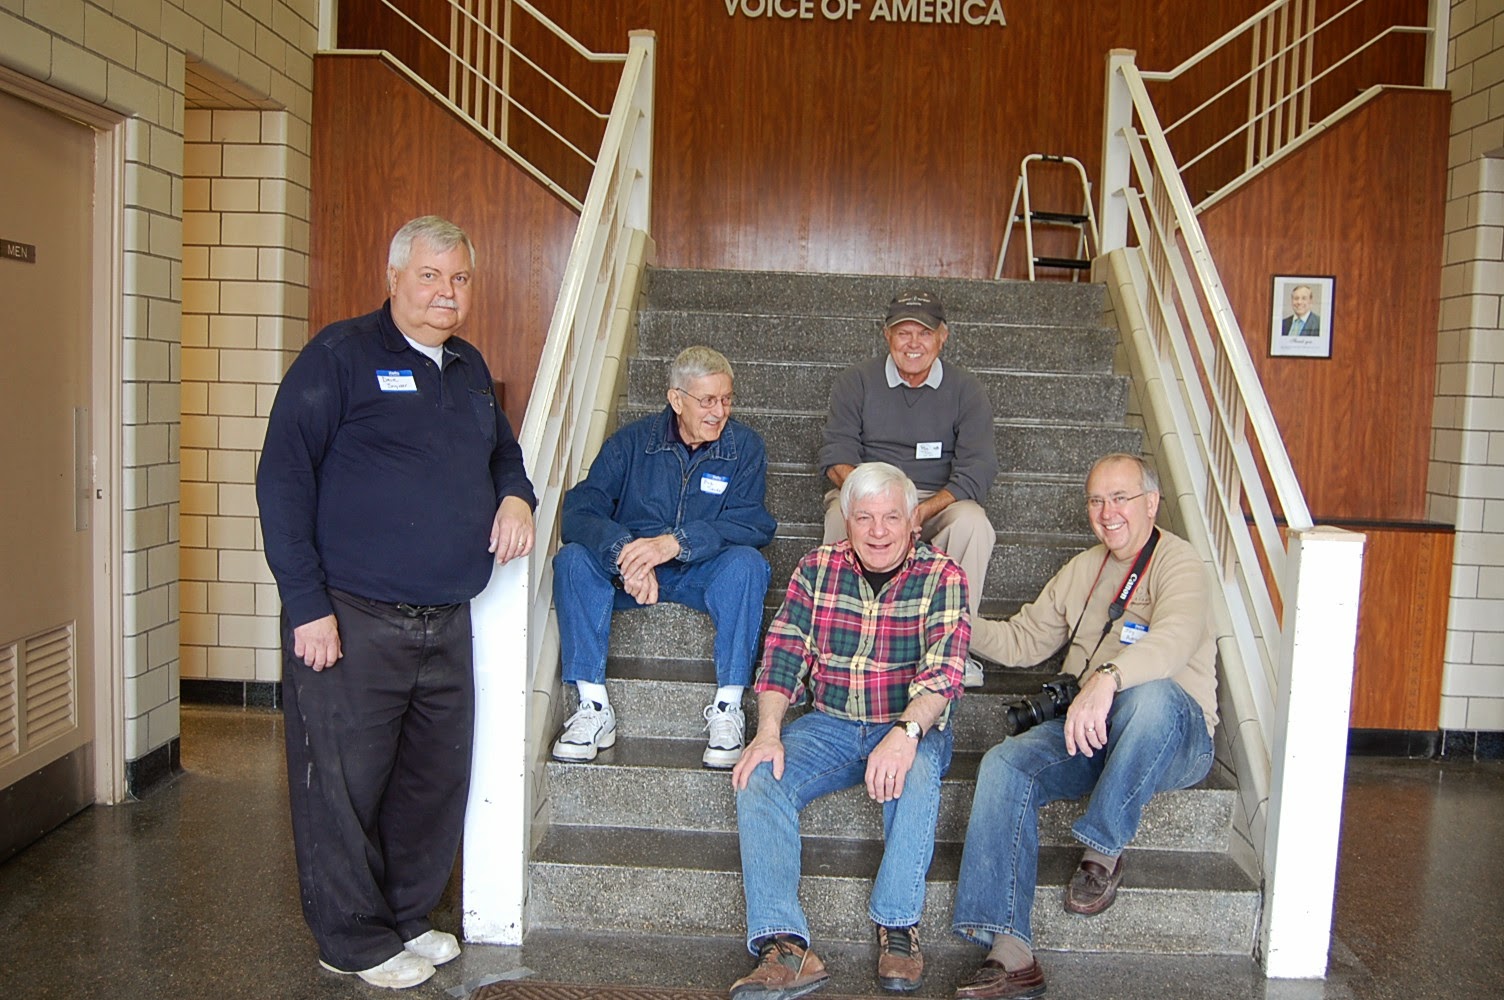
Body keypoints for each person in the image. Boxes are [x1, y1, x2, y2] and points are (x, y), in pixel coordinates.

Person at [256, 216, 537, 989]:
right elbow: (281, 481)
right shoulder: (339, 357)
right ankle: (350, 941)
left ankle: (407, 917)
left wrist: (516, 497)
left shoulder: (468, 367)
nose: (446, 294)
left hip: (444, 619)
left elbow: (503, 454)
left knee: (430, 781)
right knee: (340, 787)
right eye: (430, 277)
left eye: (460, 279)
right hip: (350, 616)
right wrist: (307, 606)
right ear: (393, 279)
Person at [949, 453, 1217, 1000]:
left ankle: (1101, 850)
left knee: (1154, 696)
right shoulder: (1084, 568)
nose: (1107, 512)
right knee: (1005, 762)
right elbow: (1024, 639)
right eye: (1096, 500)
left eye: (1120, 498)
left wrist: (1109, 677)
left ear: (1151, 503)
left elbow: (1173, 641)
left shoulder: (1180, 563)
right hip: (1093, 734)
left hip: (1173, 737)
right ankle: (1010, 951)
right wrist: (954, 620)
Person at [730, 462, 970, 999]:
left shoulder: (943, 575)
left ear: (914, 521)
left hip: (909, 720)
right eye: (864, 517)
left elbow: (944, 672)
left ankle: (898, 925)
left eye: (891, 517)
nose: (878, 531)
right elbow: (784, 652)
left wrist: (906, 732)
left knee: (920, 769)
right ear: (846, 518)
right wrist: (768, 730)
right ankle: (786, 946)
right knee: (760, 775)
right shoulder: (816, 566)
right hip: (831, 723)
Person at [550, 345, 776, 767]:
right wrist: (627, 555)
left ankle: (728, 707)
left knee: (748, 564)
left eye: (726, 399)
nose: (719, 412)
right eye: (707, 400)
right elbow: (580, 511)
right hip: (628, 578)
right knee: (572, 561)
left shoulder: (744, 446)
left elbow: (754, 523)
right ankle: (593, 706)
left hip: (700, 572)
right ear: (676, 400)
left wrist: (675, 543)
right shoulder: (631, 443)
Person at [818, 290, 998, 686]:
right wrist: (882, 508)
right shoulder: (855, 383)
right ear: (886, 336)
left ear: (943, 336)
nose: (913, 343)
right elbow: (836, 456)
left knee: (973, 523)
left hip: (933, 505)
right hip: (869, 494)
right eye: (903, 333)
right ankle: (835, 643)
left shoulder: (966, 390)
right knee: (838, 515)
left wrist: (919, 510)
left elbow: (978, 468)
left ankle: (954, 646)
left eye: (924, 332)